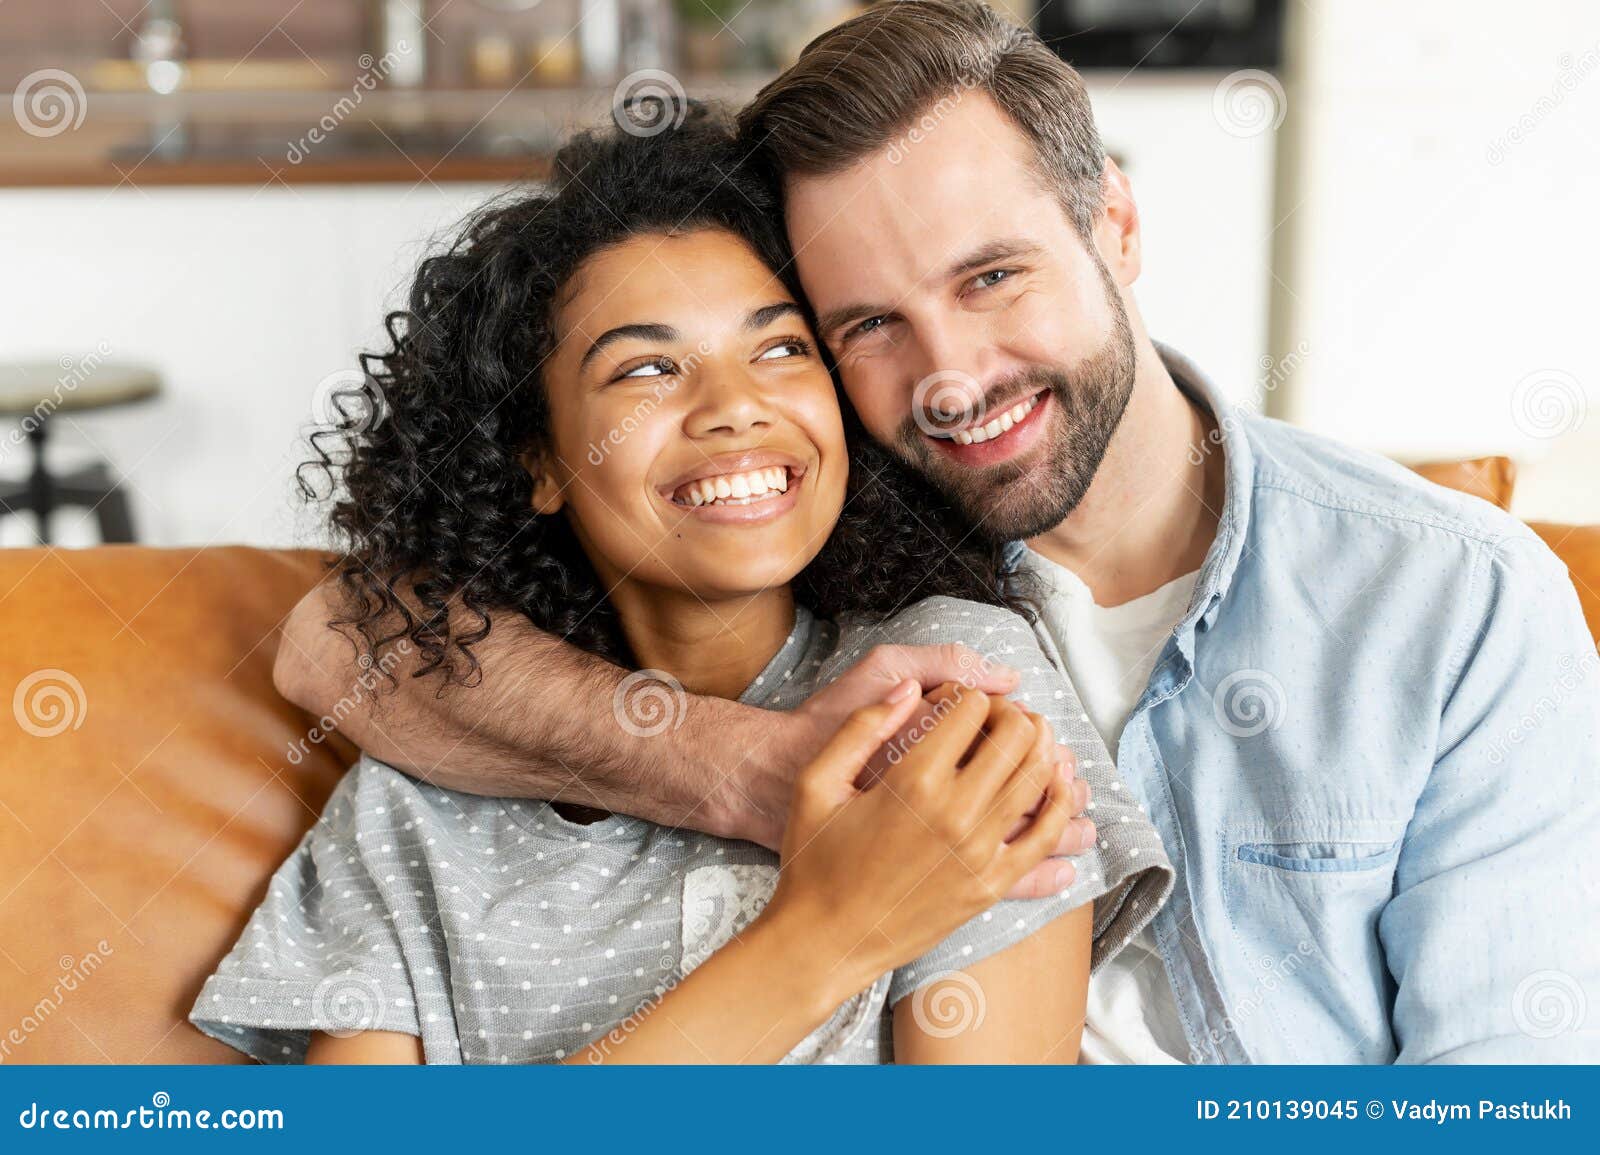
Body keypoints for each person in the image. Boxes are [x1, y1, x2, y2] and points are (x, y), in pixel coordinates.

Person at [276, 1, 1600, 1063]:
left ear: (1116, 226)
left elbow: (1505, 1097)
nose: (952, 375)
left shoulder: (1450, 598)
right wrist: (747, 766)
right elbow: (338, 640)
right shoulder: (821, 542)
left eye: (993, 277)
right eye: (865, 323)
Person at [190, 107, 1172, 1065]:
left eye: (781, 348)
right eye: (649, 369)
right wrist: (823, 936)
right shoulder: (424, 786)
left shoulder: (953, 698)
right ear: (537, 458)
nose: (734, 406)